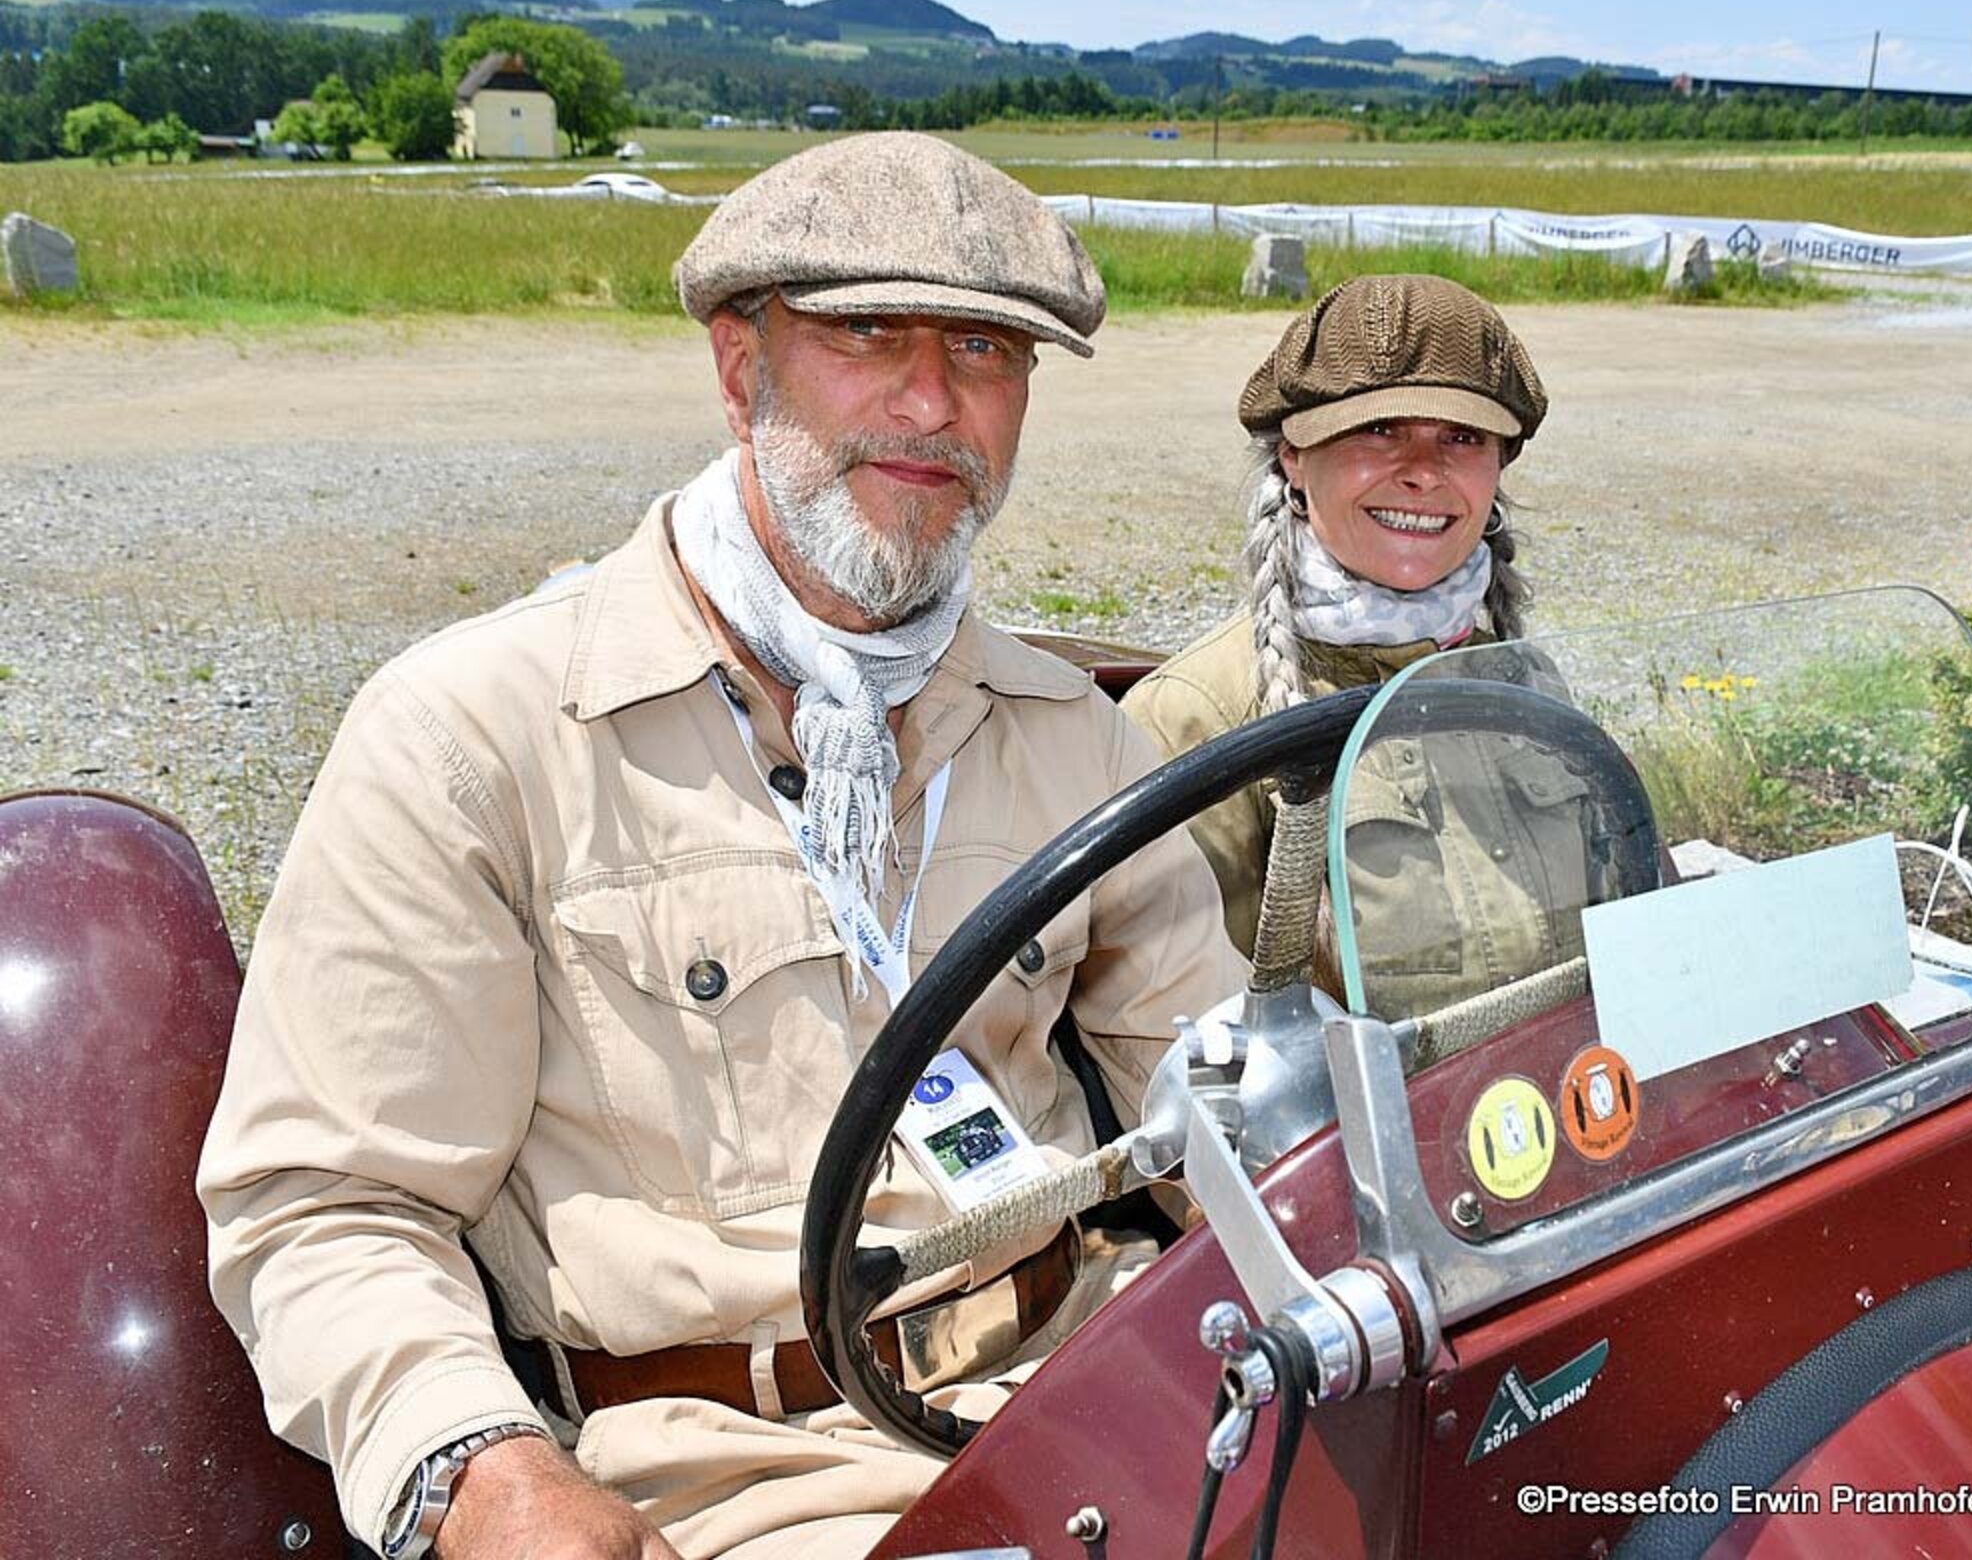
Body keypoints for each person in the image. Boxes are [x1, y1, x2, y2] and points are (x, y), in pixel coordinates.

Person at [197, 132, 1241, 1560]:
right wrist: (480, 1467)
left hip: (1102, 1390)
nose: (934, 401)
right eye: (868, 333)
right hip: (729, 1484)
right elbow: (326, 1209)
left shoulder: (1077, 741)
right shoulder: (474, 739)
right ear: (739, 367)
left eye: (990, 352)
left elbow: (1229, 1087)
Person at [1123, 273, 1602, 1030]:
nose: (1421, 469)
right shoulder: (1197, 716)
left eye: (1463, 438)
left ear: (1499, 468)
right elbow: (1183, 1055)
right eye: (1378, 431)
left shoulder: (1526, 683)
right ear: (1293, 458)